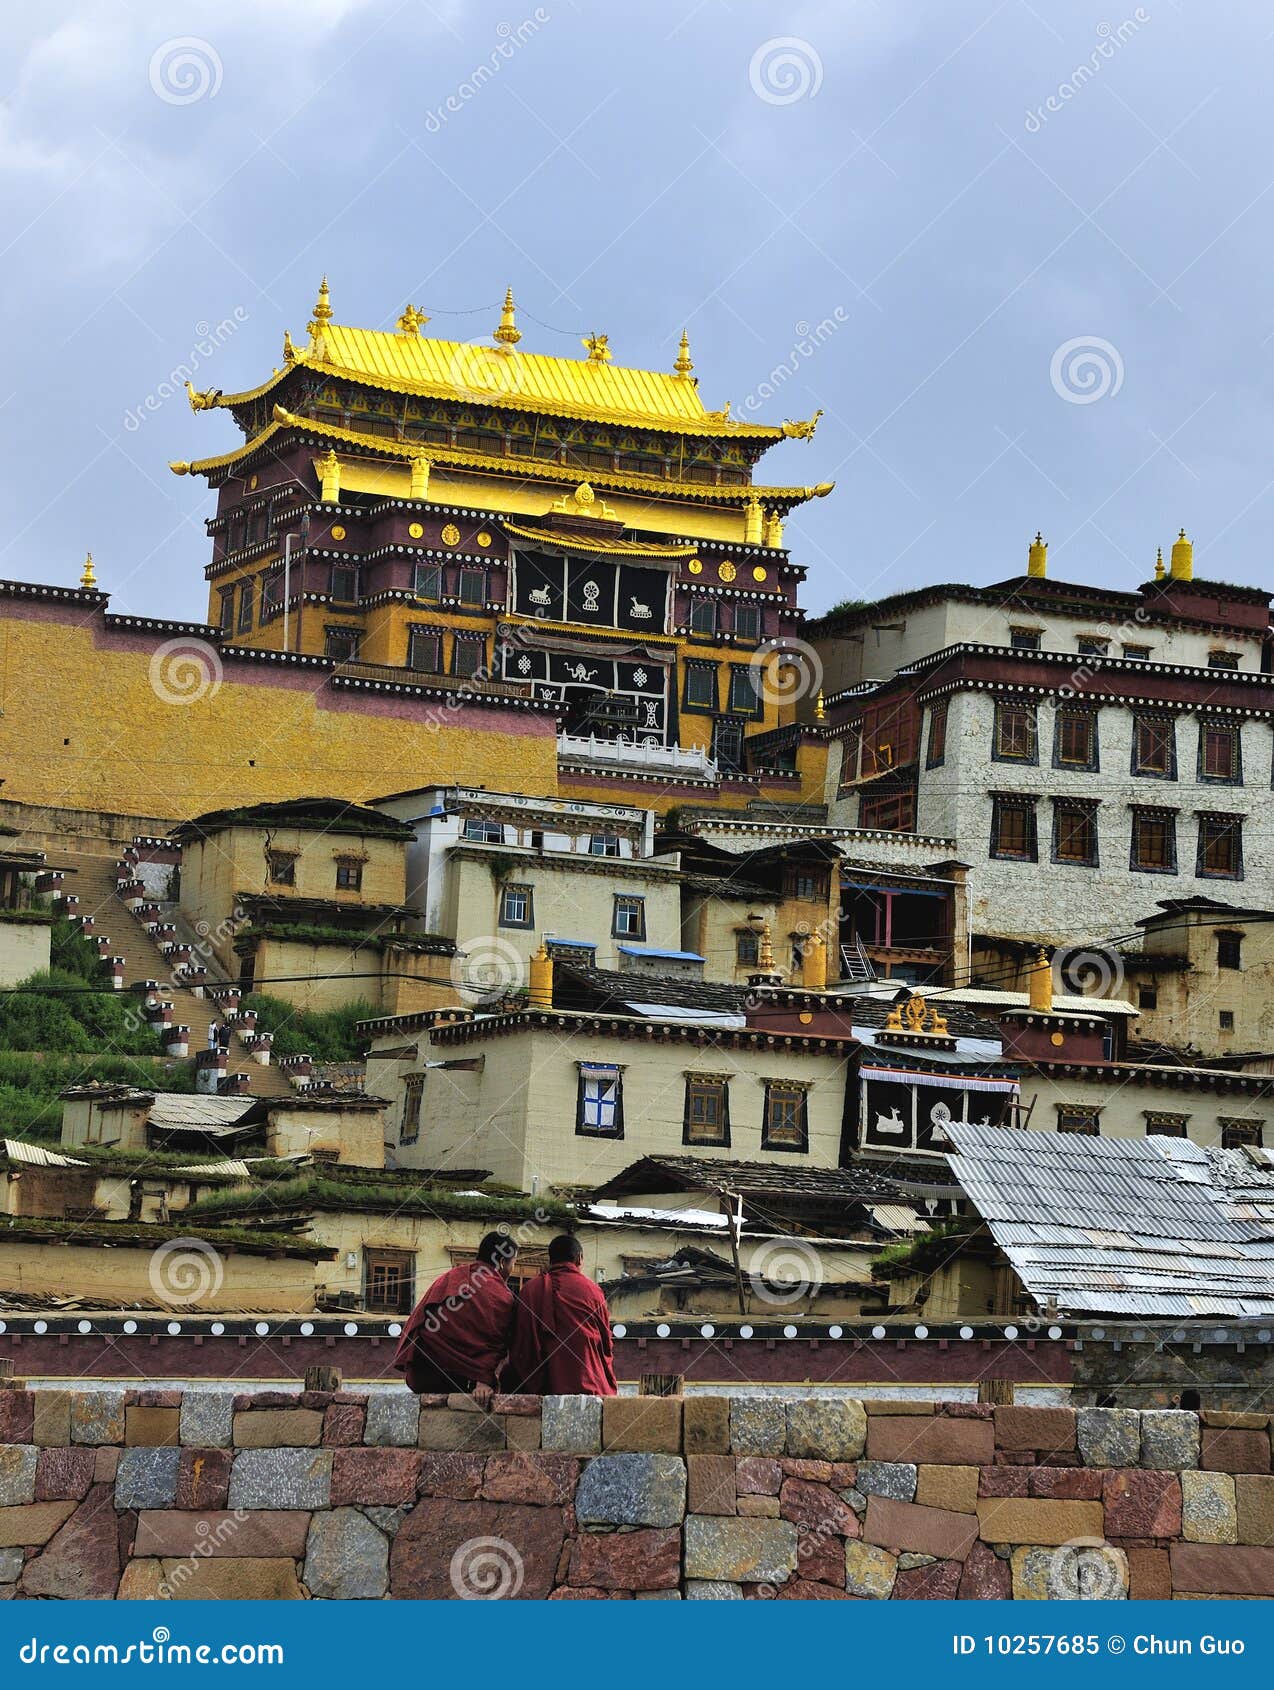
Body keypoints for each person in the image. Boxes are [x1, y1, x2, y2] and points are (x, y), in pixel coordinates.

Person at [392, 1231, 518, 1406]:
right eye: (513, 1263)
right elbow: (498, 1344)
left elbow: (420, 1319)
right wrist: (483, 1378)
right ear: (503, 1262)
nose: (512, 1269)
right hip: (465, 1381)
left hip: (424, 1374)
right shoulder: (502, 1296)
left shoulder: (449, 1278)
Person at [507, 1233, 617, 1396]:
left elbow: (520, 1342)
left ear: (550, 1260)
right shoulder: (593, 1291)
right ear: (579, 1258)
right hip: (588, 1384)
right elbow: (606, 1342)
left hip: (541, 1387)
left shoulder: (530, 1290)